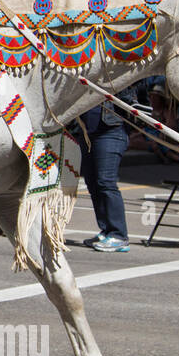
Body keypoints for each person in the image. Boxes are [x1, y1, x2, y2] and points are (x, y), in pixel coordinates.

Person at [77, 85, 138, 252]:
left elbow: (129, 95)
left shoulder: (114, 75)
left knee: (106, 181)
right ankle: (106, 230)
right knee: (92, 181)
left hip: (111, 130)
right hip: (87, 132)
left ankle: (119, 234)